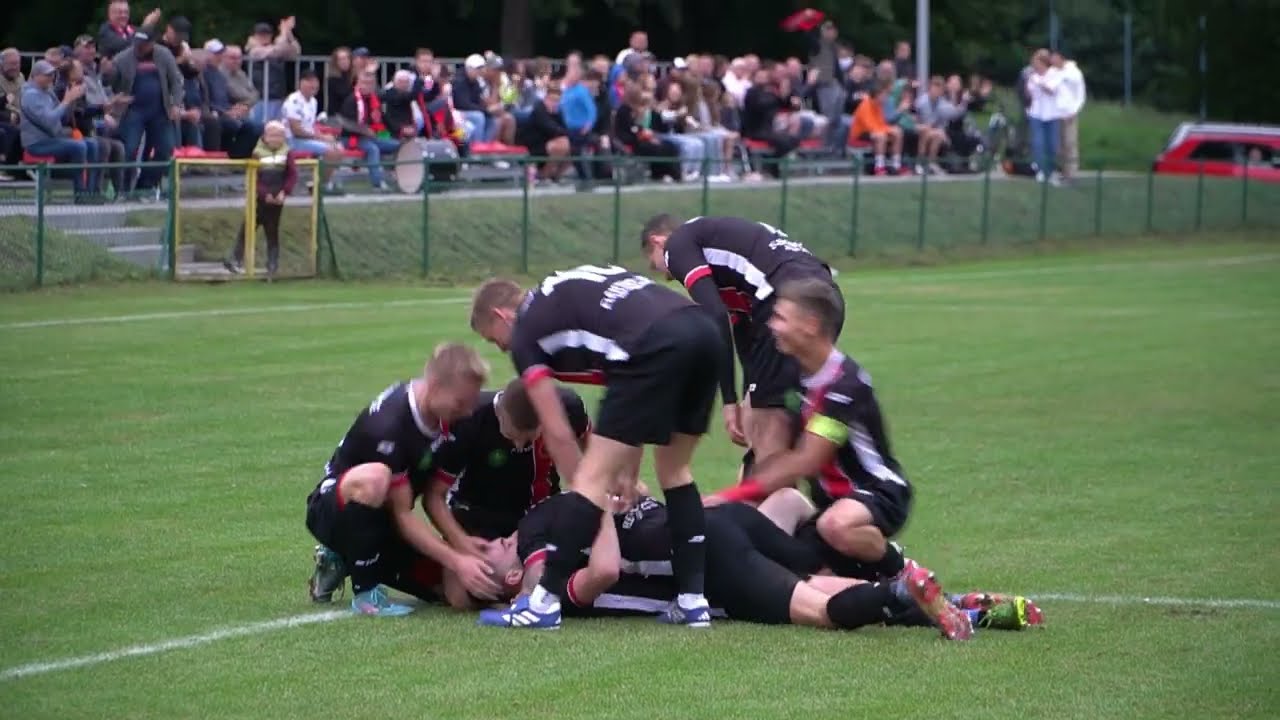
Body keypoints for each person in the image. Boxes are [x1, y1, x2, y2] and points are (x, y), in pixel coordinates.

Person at [469, 264, 723, 628]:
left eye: (495, 339)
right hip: (701, 331)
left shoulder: (526, 332)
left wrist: (589, 487)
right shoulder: (564, 291)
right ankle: (692, 601)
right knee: (674, 469)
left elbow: (556, 431)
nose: (503, 347)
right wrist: (630, 471)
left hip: (653, 344)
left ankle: (543, 603)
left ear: (502, 315)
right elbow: (626, 388)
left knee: (589, 478)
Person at [494, 491, 975, 639]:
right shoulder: (555, 583)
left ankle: (896, 591)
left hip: (713, 556)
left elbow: (607, 568)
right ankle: (969, 608)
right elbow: (604, 567)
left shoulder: (560, 574)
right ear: (514, 576)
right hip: (719, 528)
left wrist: (596, 505)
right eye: (495, 546)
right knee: (816, 586)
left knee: (820, 612)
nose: (499, 540)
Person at [707, 277, 912, 590]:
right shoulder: (794, 376)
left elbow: (806, 460)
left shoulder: (845, 386)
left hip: (879, 492)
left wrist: (727, 497)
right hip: (829, 506)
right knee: (793, 565)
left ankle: (901, 571)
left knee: (836, 526)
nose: (771, 326)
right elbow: (777, 450)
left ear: (811, 325)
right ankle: (875, 583)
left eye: (780, 318)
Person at [305, 344, 502, 615]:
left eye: (471, 402)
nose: (468, 411)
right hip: (333, 510)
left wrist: (463, 544)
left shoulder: (447, 416)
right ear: (434, 385)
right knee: (376, 478)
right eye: (460, 403)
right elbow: (403, 514)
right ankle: (364, 590)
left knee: (449, 589)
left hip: (385, 520)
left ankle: (348, 558)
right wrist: (457, 560)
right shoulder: (388, 425)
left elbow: (434, 497)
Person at [640, 215, 842, 476]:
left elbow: (715, 317)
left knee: (764, 426)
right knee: (771, 411)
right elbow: (745, 333)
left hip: (785, 296)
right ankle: (778, 496)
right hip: (825, 297)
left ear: (657, 241)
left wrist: (728, 401)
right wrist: (748, 392)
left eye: (654, 265)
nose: (666, 275)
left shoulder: (677, 244)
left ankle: (771, 507)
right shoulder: (725, 252)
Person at [421, 377, 590, 551]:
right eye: (512, 435)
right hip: (477, 516)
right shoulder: (468, 420)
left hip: (543, 511)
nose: (519, 445)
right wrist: (462, 543)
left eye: (529, 439)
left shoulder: (568, 409)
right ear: (500, 413)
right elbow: (435, 495)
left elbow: (595, 458)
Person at [20, 60, 103, 200]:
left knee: (92, 144)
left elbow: (63, 118)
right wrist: (66, 100)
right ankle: (80, 194)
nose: (51, 78)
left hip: (53, 139)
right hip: (37, 145)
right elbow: (49, 120)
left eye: (53, 74)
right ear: (36, 76)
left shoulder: (48, 92)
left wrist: (72, 100)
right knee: (79, 146)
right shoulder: (30, 95)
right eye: (47, 75)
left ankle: (92, 192)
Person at [221, 121, 294, 276]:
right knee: (247, 228)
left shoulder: (287, 152)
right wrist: (264, 194)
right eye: (273, 135)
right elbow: (255, 177)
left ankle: (272, 265)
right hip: (259, 199)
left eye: (280, 135)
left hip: (277, 199)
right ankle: (236, 260)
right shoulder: (257, 152)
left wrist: (284, 192)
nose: (276, 139)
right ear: (265, 137)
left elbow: (292, 175)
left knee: (272, 231)